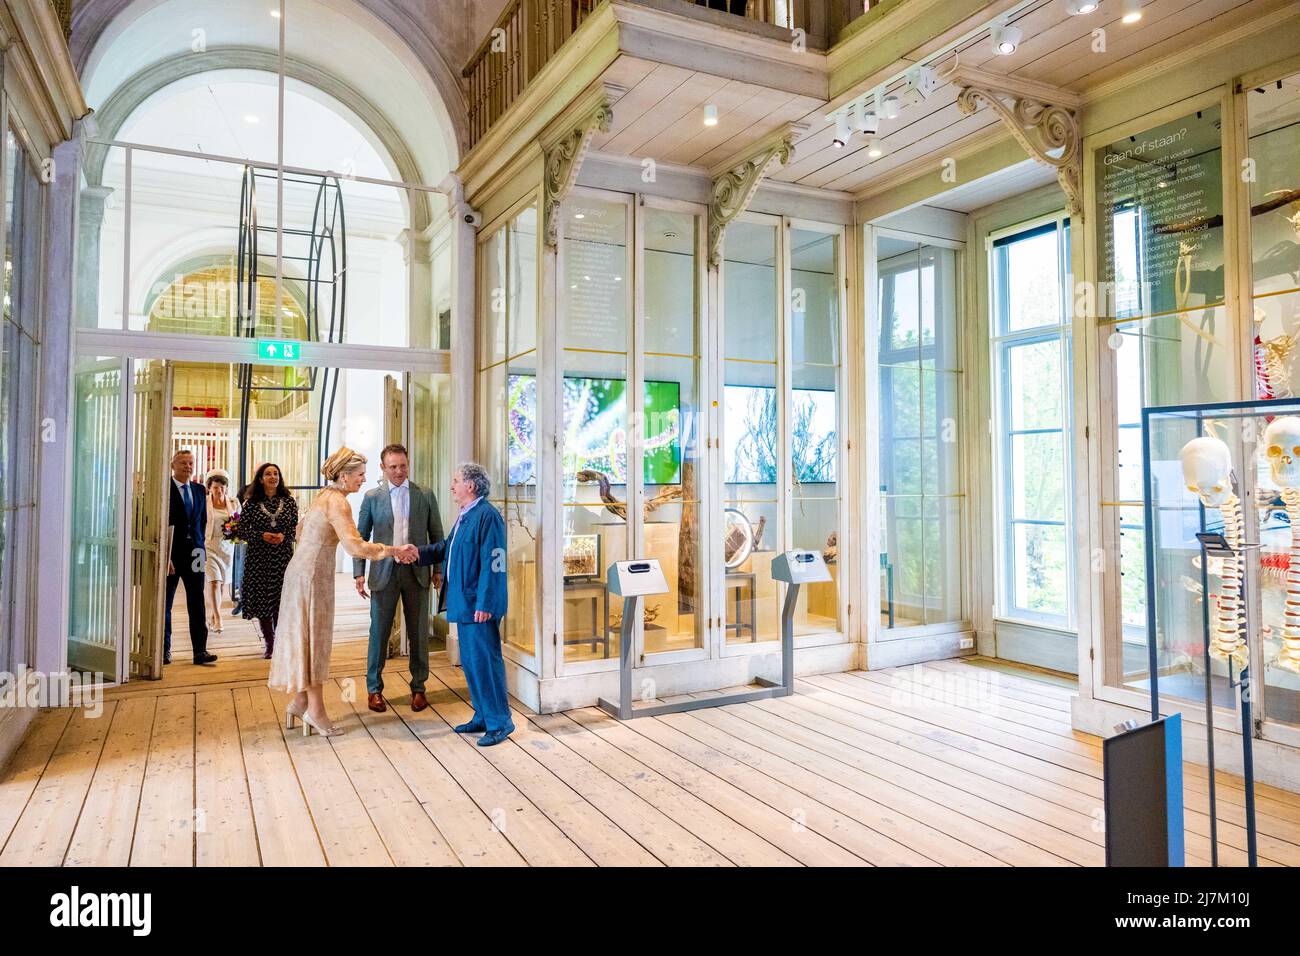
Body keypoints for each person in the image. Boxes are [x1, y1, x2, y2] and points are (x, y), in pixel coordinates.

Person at [271, 448, 400, 737]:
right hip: (313, 578)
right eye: (360, 475)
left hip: (300, 573)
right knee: (315, 640)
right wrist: (391, 550)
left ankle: (301, 700)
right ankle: (315, 711)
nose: (363, 480)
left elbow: (299, 533)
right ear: (343, 475)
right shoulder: (338, 503)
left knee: (305, 638)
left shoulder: (322, 496)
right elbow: (355, 546)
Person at [395, 461, 511, 746]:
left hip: (479, 606)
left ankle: (500, 722)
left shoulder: (488, 516)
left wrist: (486, 602)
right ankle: (482, 716)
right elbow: (447, 548)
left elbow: (494, 562)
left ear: (470, 486)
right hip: (464, 604)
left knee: (485, 663)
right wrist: (417, 553)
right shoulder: (465, 515)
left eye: (456, 481)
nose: (452, 486)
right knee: (471, 664)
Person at [353, 443, 445, 714]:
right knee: (379, 632)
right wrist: (358, 572)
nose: (398, 471)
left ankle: (419, 688)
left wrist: (438, 570)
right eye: (392, 466)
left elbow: (437, 536)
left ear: (408, 463)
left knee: (418, 633)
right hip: (383, 573)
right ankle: (374, 689)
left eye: (403, 465)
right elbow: (360, 538)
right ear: (383, 468)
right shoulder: (371, 497)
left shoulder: (425, 495)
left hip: (417, 573)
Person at [239, 462, 299, 659]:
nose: (273, 477)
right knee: (264, 600)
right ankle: (270, 642)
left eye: (276, 473)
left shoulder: (289, 501)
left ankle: (282, 640)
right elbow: (242, 530)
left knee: (282, 600)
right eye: (268, 474)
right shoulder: (251, 503)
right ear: (260, 479)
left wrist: (284, 536)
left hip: (282, 557)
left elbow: (294, 528)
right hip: (259, 558)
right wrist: (261, 535)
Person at [165, 449, 217, 666]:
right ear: (173, 466)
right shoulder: (164, 489)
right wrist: (165, 556)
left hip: (195, 552)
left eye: (191, 463)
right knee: (165, 603)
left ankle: (200, 651)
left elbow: (202, 522)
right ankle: (163, 651)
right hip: (171, 555)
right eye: (183, 463)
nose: (188, 466)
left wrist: (201, 548)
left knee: (197, 602)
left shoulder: (198, 490)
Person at [203, 469, 236, 634]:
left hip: (227, 547)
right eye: (215, 487)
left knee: (221, 584)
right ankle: (218, 617)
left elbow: (238, 523)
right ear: (209, 487)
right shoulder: (204, 503)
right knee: (214, 582)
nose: (219, 490)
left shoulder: (233, 502)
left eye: (222, 487)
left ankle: (213, 614)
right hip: (209, 546)